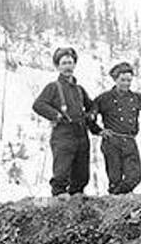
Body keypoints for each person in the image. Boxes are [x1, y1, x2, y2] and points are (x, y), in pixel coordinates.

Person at [31, 46, 100, 196]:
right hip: (63, 134)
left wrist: (92, 114)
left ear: (74, 64)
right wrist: (56, 115)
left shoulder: (79, 89)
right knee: (61, 172)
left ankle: (77, 203)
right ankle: (59, 204)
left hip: (81, 134)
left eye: (70, 63)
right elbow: (38, 105)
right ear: (57, 66)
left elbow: (92, 105)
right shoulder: (53, 87)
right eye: (64, 63)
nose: (68, 66)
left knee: (81, 175)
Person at [92, 61, 141, 194]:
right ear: (115, 79)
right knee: (115, 178)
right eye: (122, 80)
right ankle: (117, 202)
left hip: (129, 141)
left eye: (129, 80)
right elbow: (90, 115)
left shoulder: (136, 98)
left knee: (135, 176)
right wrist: (99, 130)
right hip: (112, 141)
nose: (126, 83)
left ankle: (116, 196)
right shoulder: (104, 98)